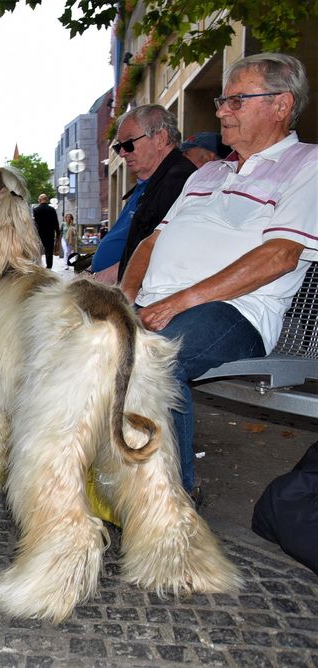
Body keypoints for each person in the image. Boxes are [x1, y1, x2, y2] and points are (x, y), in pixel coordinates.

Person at [119, 53, 316, 498]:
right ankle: (113, 480)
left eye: (236, 101)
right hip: (162, 305)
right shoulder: (208, 171)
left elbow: (281, 255)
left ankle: (172, 506)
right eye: (222, 100)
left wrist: (180, 301)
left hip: (236, 311)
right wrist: (123, 297)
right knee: (77, 343)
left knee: (154, 360)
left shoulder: (308, 165)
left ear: (281, 104)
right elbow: (151, 242)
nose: (221, 110)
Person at [91, 104, 196, 283]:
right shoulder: (147, 182)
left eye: (129, 144)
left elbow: (154, 253)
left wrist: (95, 281)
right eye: (119, 147)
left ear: (161, 138)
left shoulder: (178, 181)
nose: (123, 153)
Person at [32, 194, 60, 269]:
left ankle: (38, 266)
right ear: (46, 200)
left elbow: (34, 224)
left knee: (38, 251)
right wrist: (58, 234)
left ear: (40, 200)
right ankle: (49, 267)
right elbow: (56, 222)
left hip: (39, 234)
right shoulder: (52, 210)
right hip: (50, 234)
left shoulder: (36, 210)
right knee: (49, 252)